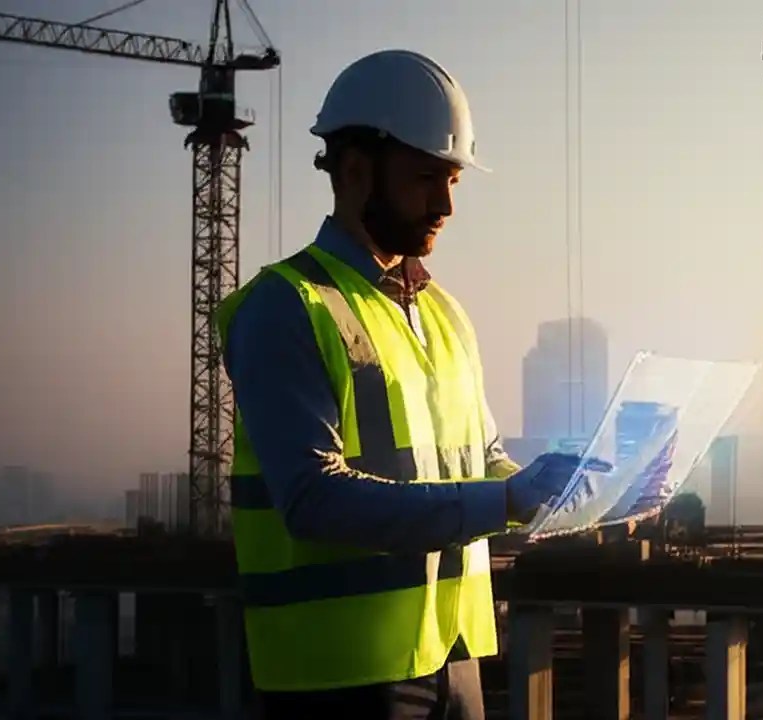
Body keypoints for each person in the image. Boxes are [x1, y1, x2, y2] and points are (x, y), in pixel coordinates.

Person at [216, 49, 637, 719]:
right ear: (354, 170)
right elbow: (313, 498)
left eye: (454, 181)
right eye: (425, 179)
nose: (446, 203)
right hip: (338, 676)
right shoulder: (287, 307)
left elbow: (483, 461)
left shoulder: (443, 313)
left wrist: (588, 490)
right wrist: (505, 499)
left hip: (456, 658)